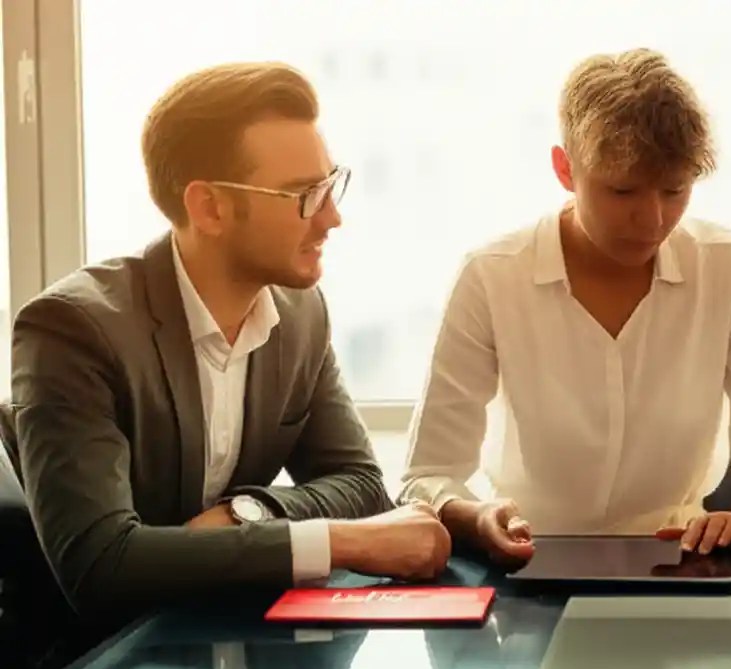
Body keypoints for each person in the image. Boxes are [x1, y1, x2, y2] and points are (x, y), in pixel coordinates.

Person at [10, 62, 451, 619]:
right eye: (304, 195)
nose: (332, 217)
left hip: (229, 641)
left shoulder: (300, 314)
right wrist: (339, 542)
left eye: (330, 184)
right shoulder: (73, 330)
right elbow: (101, 564)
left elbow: (361, 485)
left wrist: (249, 512)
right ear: (209, 207)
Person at [397, 48, 731, 565]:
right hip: (528, 565)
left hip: (680, 568)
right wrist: (474, 516)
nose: (653, 220)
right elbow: (426, 475)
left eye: (675, 190)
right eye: (622, 191)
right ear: (564, 169)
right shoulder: (491, 275)